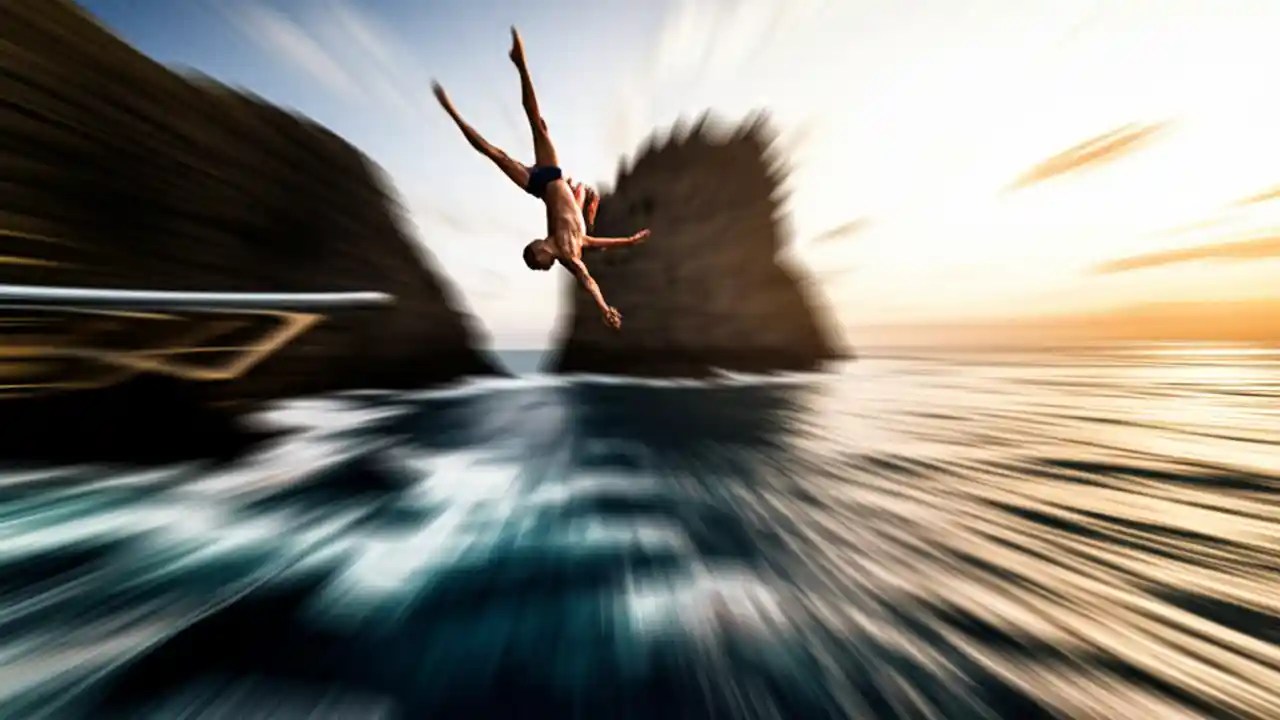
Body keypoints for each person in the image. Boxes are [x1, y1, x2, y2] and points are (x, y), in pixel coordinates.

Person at [432, 27, 649, 330]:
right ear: (540, 251)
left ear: (539, 251)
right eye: (541, 267)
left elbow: (596, 252)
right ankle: (455, 112)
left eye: (540, 266)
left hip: (539, 185)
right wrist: (626, 248)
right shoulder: (570, 254)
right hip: (553, 177)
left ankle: (519, 64)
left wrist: (626, 243)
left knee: (519, 139)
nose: (545, 271)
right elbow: (592, 265)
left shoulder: (561, 248)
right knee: (517, 141)